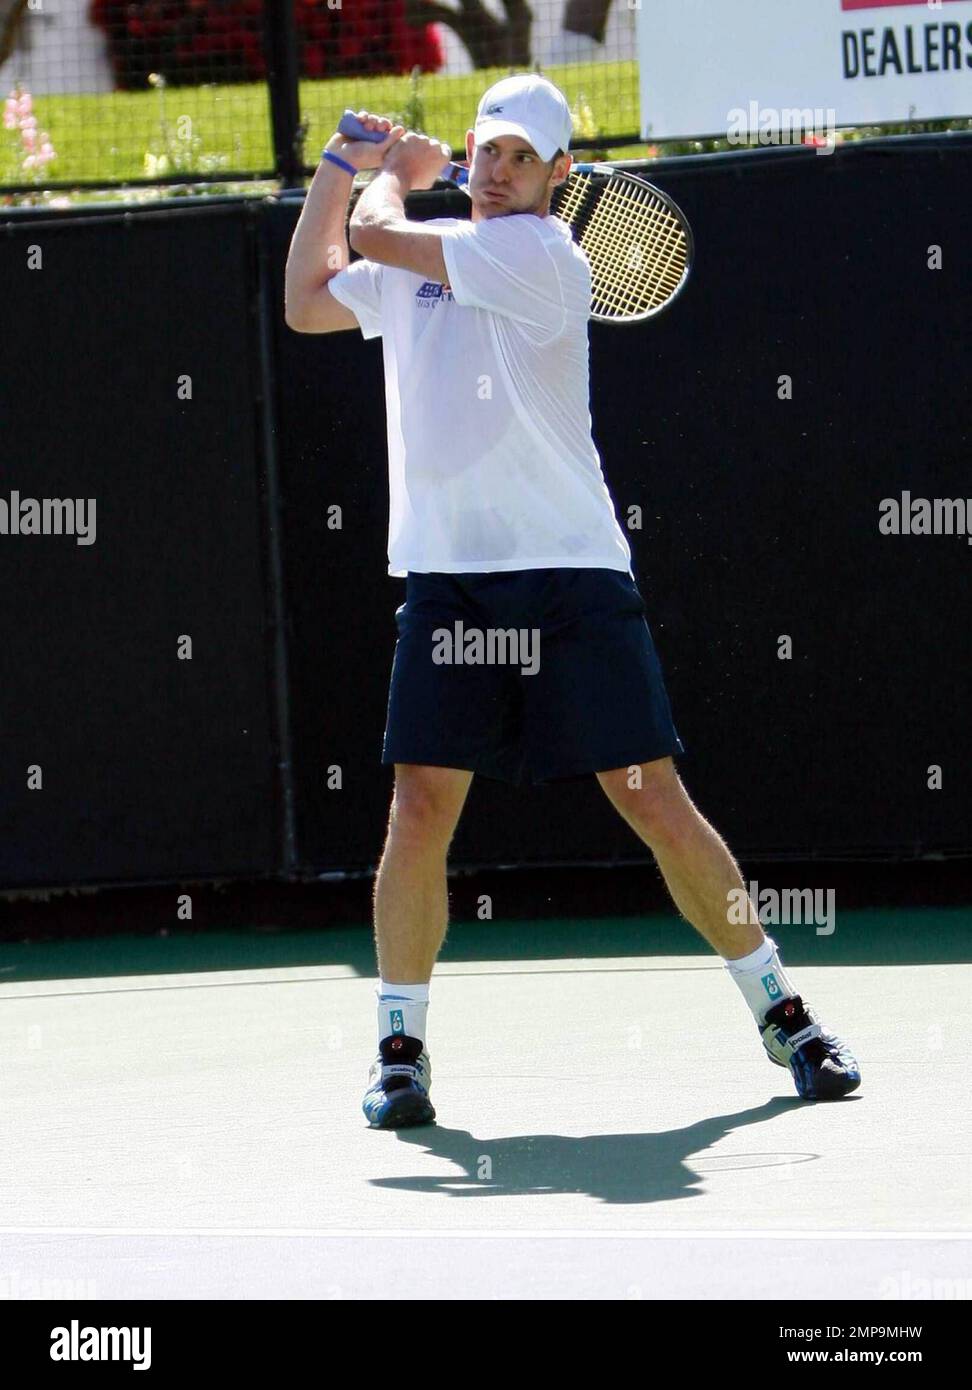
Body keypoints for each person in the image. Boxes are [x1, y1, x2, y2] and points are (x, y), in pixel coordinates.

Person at [284, 74, 861, 1129]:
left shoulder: (545, 255)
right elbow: (309, 298)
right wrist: (335, 169)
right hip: (451, 579)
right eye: (487, 153)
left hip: (571, 572)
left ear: (558, 177)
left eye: (521, 159)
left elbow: (374, 242)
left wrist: (393, 183)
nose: (499, 173)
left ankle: (785, 1012)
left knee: (652, 800)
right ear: (472, 152)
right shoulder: (422, 258)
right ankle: (400, 1050)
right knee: (418, 810)